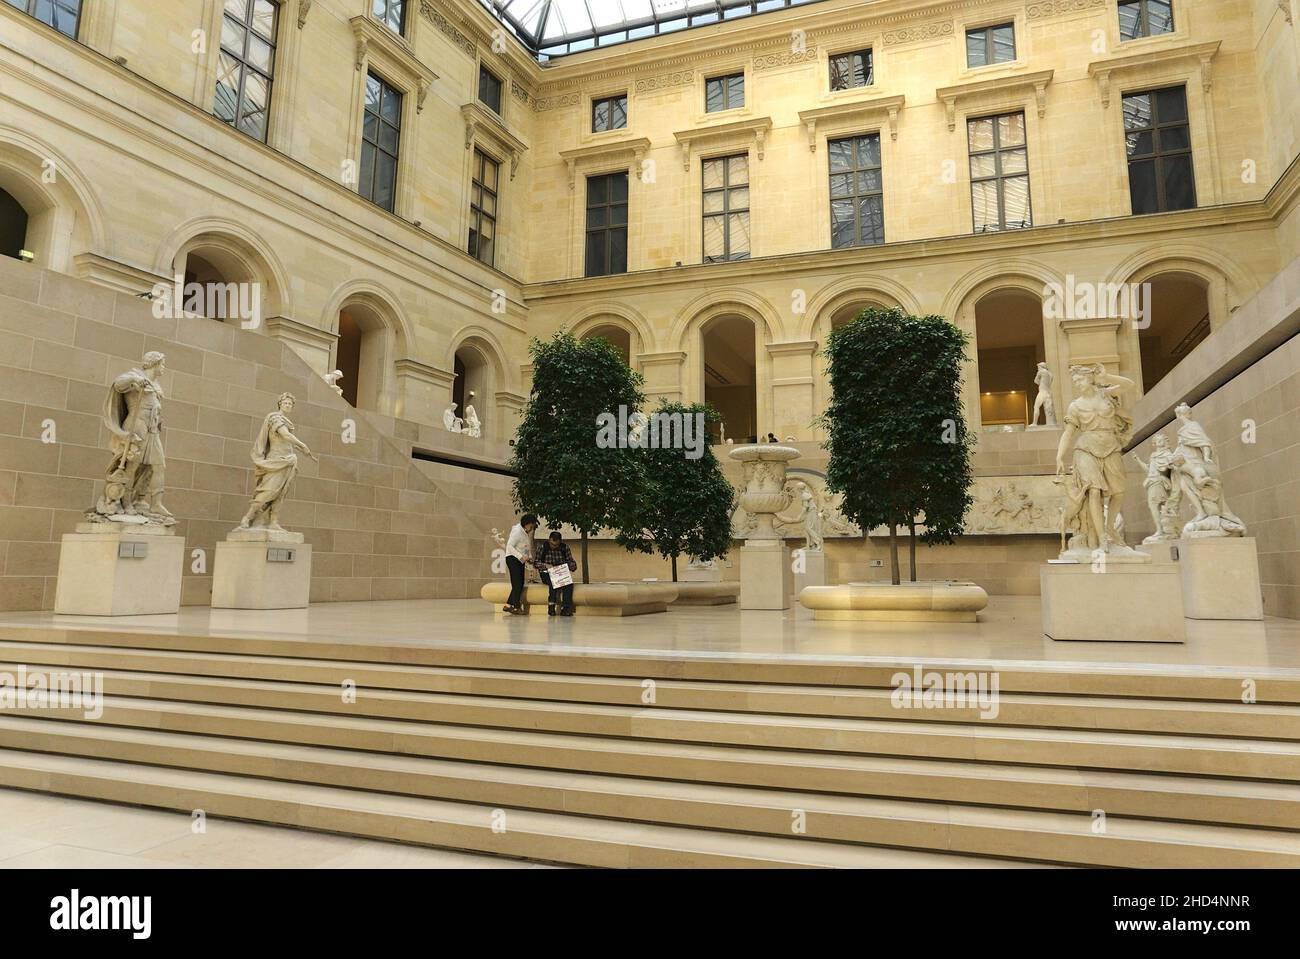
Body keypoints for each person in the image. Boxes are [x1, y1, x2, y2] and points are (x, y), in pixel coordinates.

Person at [238, 393, 317, 531]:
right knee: (269, 490)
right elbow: (285, 435)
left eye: (290, 404)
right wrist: (303, 445)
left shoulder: (286, 421)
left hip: (289, 461)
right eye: (286, 403)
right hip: (276, 461)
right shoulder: (275, 418)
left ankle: (273, 521)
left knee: (281, 493)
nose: (288, 405)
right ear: (280, 403)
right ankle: (248, 517)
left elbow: (287, 441)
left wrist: (301, 449)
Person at [536, 530, 578, 616]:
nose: (553, 547)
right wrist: (546, 565)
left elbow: (571, 561)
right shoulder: (542, 547)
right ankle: (551, 606)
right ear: (549, 540)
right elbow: (536, 563)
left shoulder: (564, 547)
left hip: (560, 571)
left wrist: (571, 566)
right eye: (552, 544)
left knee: (569, 583)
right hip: (546, 572)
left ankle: (566, 608)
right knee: (553, 581)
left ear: (560, 542)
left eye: (556, 545)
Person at [503, 514, 537, 614]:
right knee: (517, 583)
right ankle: (516, 607)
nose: (532, 529)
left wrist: (529, 557)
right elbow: (509, 546)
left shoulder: (525, 533)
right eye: (531, 526)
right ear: (526, 524)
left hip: (519, 560)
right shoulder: (517, 532)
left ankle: (508, 605)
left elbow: (525, 547)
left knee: (519, 583)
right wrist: (521, 557)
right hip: (513, 559)